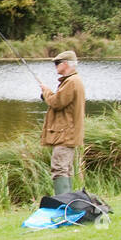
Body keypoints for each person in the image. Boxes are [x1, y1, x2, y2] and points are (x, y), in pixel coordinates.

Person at [38, 50, 85, 196]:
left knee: (59, 168)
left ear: (65, 64)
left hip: (65, 135)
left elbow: (57, 102)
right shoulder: (72, 81)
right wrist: (47, 94)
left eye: (57, 63)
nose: (55, 66)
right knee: (65, 168)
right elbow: (59, 101)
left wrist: (46, 92)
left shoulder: (71, 82)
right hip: (68, 134)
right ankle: (68, 203)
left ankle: (63, 205)